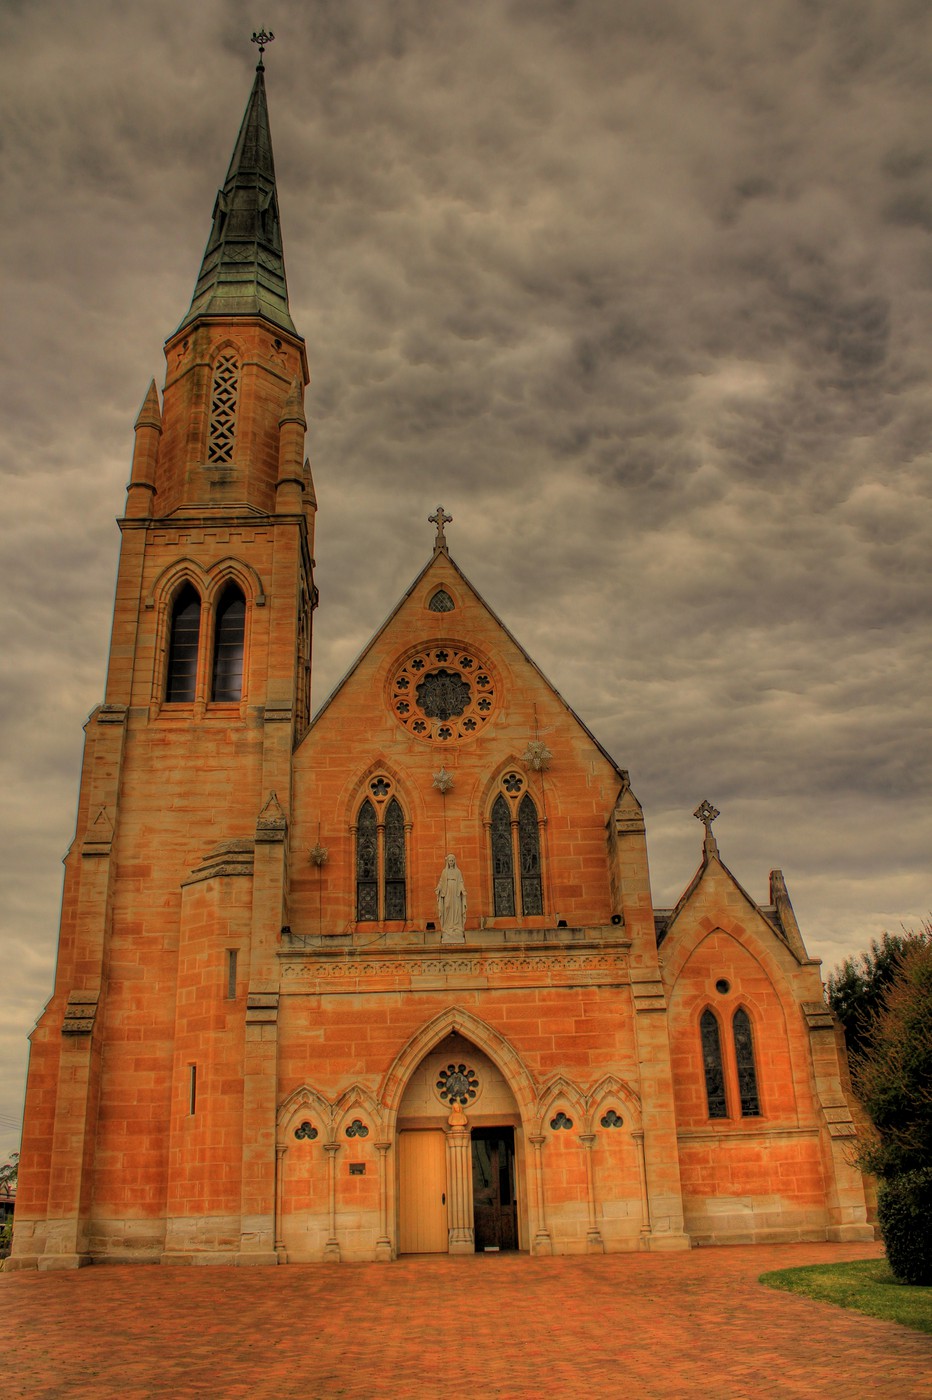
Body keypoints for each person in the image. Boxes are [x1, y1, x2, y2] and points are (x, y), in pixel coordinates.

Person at [436, 854, 467, 940]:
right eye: (450, 861)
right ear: (448, 862)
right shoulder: (444, 872)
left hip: (456, 892)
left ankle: (456, 927)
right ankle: (447, 927)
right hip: (447, 891)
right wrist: (438, 888)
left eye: (452, 861)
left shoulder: (458, 872)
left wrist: (462, 889)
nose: (451, 862)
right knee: (447, 907)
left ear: (454, 861)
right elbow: (441, 882)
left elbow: (461, 882)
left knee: (456, 908)